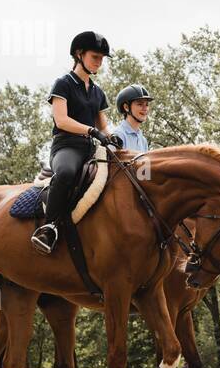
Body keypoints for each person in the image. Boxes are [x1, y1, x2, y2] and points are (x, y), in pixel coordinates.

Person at [30, 31, 124, 255]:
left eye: (102, 58)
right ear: (79, 54)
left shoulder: (98, 91)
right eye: (95, 57)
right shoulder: (63, 84)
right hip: (67, 146)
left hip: (91, 148)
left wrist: (111, 137)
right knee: (66, 173)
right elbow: (61, 120)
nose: (99, 62)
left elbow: (103, 125)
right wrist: (91, 130)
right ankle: (49, 227)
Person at [110, 83, 152, 153]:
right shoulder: (118, 135)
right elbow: (111, 163)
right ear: (126, 107)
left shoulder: (143, 140)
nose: (145, 109)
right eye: (140, 104)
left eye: (147, 105)